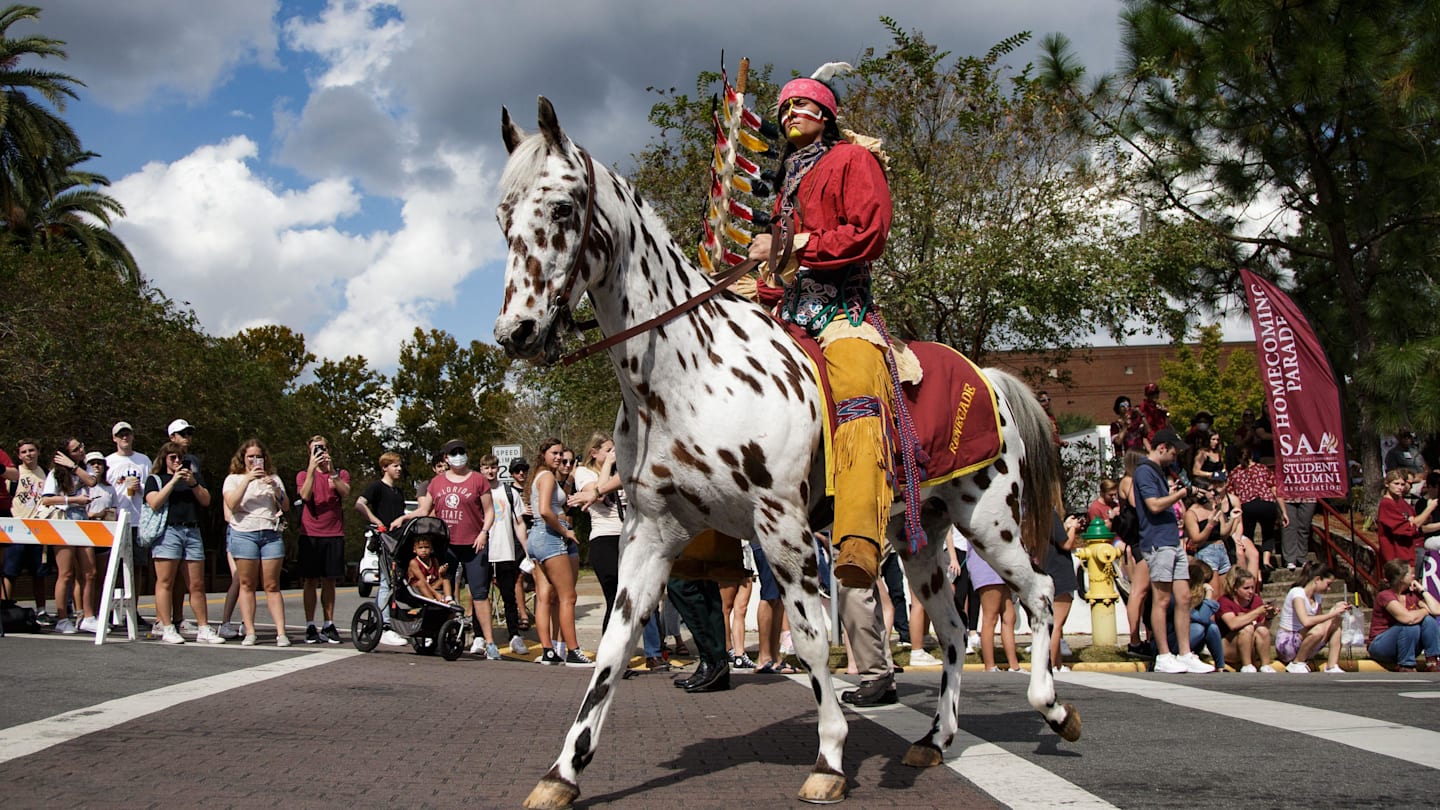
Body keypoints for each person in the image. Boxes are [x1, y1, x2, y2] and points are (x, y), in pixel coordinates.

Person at [745, 65, 902, 591]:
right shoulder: (787, 180)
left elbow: (867, 233)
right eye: (784, 109)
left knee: (857, 383)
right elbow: (781, 269)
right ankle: (710, 540)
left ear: (826, 114)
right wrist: (758, 282)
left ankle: (859, 537)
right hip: (787, 313)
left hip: (842, 310)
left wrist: (791, 245)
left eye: (800, 106)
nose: (790, 114)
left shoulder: (853, 160)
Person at [396, 440, 501, 660]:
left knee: (479, 593)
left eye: (461, 452)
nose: (458, 456)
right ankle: (445, 635)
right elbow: (425, 509)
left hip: (474, 545)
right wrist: (405, 517)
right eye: (453, 453)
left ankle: (489, 642)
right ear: (446, 458)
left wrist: (484, 532)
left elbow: (489, 510)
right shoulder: (437, 482)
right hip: (446, 545)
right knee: (446, 593)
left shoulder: (478, 480)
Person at [1135, 428, 1213, 674]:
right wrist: (1180, 493)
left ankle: (1185, 652)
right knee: (1162, 599)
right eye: (1173, 451)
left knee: (1184, 598)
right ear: (1161, 448)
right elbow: (1153, 505)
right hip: (1158, 542)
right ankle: (1164, 655)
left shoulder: (1160, 471)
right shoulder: (1144, 471)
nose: (1175, 456)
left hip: (1173, 541)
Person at [145, 442, 222, 644]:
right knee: (165, 581)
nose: (177, 462)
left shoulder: (193, 478)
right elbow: (154, 502)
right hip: (168, 532)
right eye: (172, 458)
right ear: (164, 459)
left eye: (181, 458)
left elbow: (206, 501)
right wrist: (172, 481)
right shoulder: (156, 479)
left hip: (192, 530)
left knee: (196, 583)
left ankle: (204, 627)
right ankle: (166, 625)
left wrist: (193, 483)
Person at [523, 438, 592, 667]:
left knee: (544, 597)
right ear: (543, 454)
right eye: (554, 453)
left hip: (536, 537)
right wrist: (565, 531)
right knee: (568, 597)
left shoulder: (539, 477)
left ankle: (548, 651)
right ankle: (573, 651)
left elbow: (545, 509)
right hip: (549, 538)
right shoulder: (547, 477)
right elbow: (544, 511)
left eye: (561, 453)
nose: (559, 457)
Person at [222, 439, 290, 647]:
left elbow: (285, 506)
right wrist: (248, 480)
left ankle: (281, 633)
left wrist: (275, 489)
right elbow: (232, 504)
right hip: (244, 533)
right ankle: (250, 631)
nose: (254, 460)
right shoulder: (233, 479)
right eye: (250, 456)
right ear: (243, 458)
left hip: (269, 532)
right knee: (247, 583)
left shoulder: (274, 478)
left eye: (258, 456)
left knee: (271, 584)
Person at [40, 438, 99, 634]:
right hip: (64, 518)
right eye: (76, 449)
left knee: (89, 571)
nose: (81, 450)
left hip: (82, 519)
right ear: (65, 454)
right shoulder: (54, 475)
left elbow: (92, 481)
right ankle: (62, 618)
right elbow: (47, 499)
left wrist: (73, 466)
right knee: (65, 573)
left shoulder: (83, 470)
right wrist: (73, 499)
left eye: (81, 446)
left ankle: (88, 616)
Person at [297, 435, 350, 644]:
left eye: (323, 448)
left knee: (330, 581)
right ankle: (310, 624)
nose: (320, 453)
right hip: (310, 534)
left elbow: (345, 493)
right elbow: (305, 495)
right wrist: (312, 469)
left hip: (334, 533)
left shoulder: (340, 473)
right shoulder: (303, 474)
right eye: (315, 449)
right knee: (310, 581)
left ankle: (328, 624)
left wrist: (333, 472)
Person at [355, 451, 411, 647]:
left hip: (397, 541)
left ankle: (392, 621)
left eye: (400, 466)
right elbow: (360, 504)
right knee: (387, 582)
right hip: (384, 540)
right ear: (385, 467)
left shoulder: (398, 491)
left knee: (397, 583)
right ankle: (384, 625)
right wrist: (375, 521)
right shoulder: (377, 487)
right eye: (395, 466)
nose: (399, 469)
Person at [568, 434, 623, 631]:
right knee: (615, 596)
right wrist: (608, 464)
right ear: (593, 452)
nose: (613, 454)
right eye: (608, 450)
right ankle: (610, 647)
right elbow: (598, 493)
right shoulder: (584, 472)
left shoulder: (619, 472)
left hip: (627, 535)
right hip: (604, 537)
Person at [479, 453, 527, 655]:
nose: (490, 471)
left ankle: (514, 636)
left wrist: (526, 549)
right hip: (482, 551)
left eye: (493, 467)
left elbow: (519, 523)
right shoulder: (476, 491)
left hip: (505, 550)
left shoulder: (509, 492)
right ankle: (480, 637)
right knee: (480, 595)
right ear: (480, 469)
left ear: (499, 469)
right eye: (486, 468)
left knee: (509, 595)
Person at [105, 421, 153, 620]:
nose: (124, 438)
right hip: (115, 521)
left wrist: (140, 486)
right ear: (114, 438)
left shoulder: (143, 460)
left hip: (138, 520)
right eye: (120, 435)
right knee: (113, 567)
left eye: (128, 434)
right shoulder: (107, 461)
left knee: (136, 567)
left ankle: (132, 610)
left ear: (132, 436)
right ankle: (110, 610)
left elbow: (152, 487)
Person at [4, 439, 50, 622]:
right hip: (17, 529)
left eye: (31, 450)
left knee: (39, 573)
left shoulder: (46, 474)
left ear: (38, 452)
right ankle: (4, 607)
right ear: (19, 456)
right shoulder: (15, 474)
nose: (28, 454)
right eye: (24, 452)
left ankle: (41, 610)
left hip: (40, 529)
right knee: (10, 572)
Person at [1275, 562, 1349, 673]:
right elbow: (1306, 621)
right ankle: (1297, 663)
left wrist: (1335, 611)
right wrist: (1332, 614)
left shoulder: (1317, 597)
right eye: (1328, 584)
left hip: (1304, 642)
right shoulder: (1297, 593)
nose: (1328, 589)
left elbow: (1321, 621)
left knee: (1336, 622)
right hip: (1287, 644)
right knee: (1320, 628)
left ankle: (1332, 666)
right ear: (1317, 579)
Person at [1367, 559, 1440, 672]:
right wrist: (1425, 611)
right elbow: (1407, 619)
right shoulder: (1385, 595)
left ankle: (1433, 661)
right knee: (1411, 625)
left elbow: (1437, 610)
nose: (1414, 575)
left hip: (1407, 644)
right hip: (1381, 646)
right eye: (1410, 573)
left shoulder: (1412, 594)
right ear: (1401, 578)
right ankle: (1406, 665)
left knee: (1429, 621)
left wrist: (1422, 591)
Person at [1229, 454, 1288, 574]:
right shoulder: (1262, 468)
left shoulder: (1234, 472)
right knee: (1268, 533)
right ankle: (1266, 561)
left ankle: (1251, 560)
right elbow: (1274, 488)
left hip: (1247, 505)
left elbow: (1231, 492)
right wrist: (1283, 511)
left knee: (1247, 534)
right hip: (1266, 503)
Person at [1167, 559, 1223, 671]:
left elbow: (1205, 618)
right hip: (1171, 641)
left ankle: (1220, 666)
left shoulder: (1196, 598)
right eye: (1203, 582)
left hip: (1189, 641)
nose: (1205, 585)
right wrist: (1208, 595)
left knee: (1212, 627)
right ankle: (1179, 656)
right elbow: (1202, 618)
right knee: (1198, 628)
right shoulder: (1177, 596)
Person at [1217, 567, 1277, 673]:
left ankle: (1265, 665)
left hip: (1250, 645)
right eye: (1246, 588)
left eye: (1252, 588)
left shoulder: (1256, 600)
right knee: (1247, 628)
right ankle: (1247, 665)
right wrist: (1257, 612)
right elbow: (1233, 624)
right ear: (1235, 588)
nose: (1250, 591)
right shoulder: (1224, 601)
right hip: (1229, 647)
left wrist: (1268, 617)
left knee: (1262, 630)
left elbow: (1262, 628)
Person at [1377, 468, 1437, 569]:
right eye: (1396, 484)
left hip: (1409, 551)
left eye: (1402, 484)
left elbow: (1414, 520)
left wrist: (1423, 519)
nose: (1400, 487)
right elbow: (1410, 527)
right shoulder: (1387, 504)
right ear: (1387, 484)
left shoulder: (1400, 501)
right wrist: (1429, 508)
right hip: (1396, 557)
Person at [1184, 484, 1237, 597]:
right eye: (1209, 490)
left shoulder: (1215, 508)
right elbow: (1196, 539)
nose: (1213, 493)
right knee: (1215, 594)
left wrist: (1232, 518)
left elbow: (1223, 533)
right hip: (1207, 552)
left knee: (1226, 593)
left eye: (1213, 490)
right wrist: (1210, 525)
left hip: (1221, 550)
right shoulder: (1191, 513)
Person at [1046, 514, 1083, 672]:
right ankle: (1053, 664)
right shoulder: (1050, 516)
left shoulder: (1038, 519)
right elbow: (1066, 544)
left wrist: (1066, 527)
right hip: (1060, 572)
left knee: (1056, 626)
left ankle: (1058, 663)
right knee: (1056, 625)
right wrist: (1073, 528)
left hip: (1047, 569)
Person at [407, 536, 454, 602]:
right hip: (419, 588)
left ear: (431, 549)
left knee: (445, 578)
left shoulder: (434, 560)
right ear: (414, 550)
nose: (423, 550)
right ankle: (433, 601)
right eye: (420, 548)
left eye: (426, 547)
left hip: (431, 585)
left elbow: (438, 577)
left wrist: (441, 573)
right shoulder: (414, 562)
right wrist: (436, 593)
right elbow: (422, 580)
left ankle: (448, 599)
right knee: (421, 583)